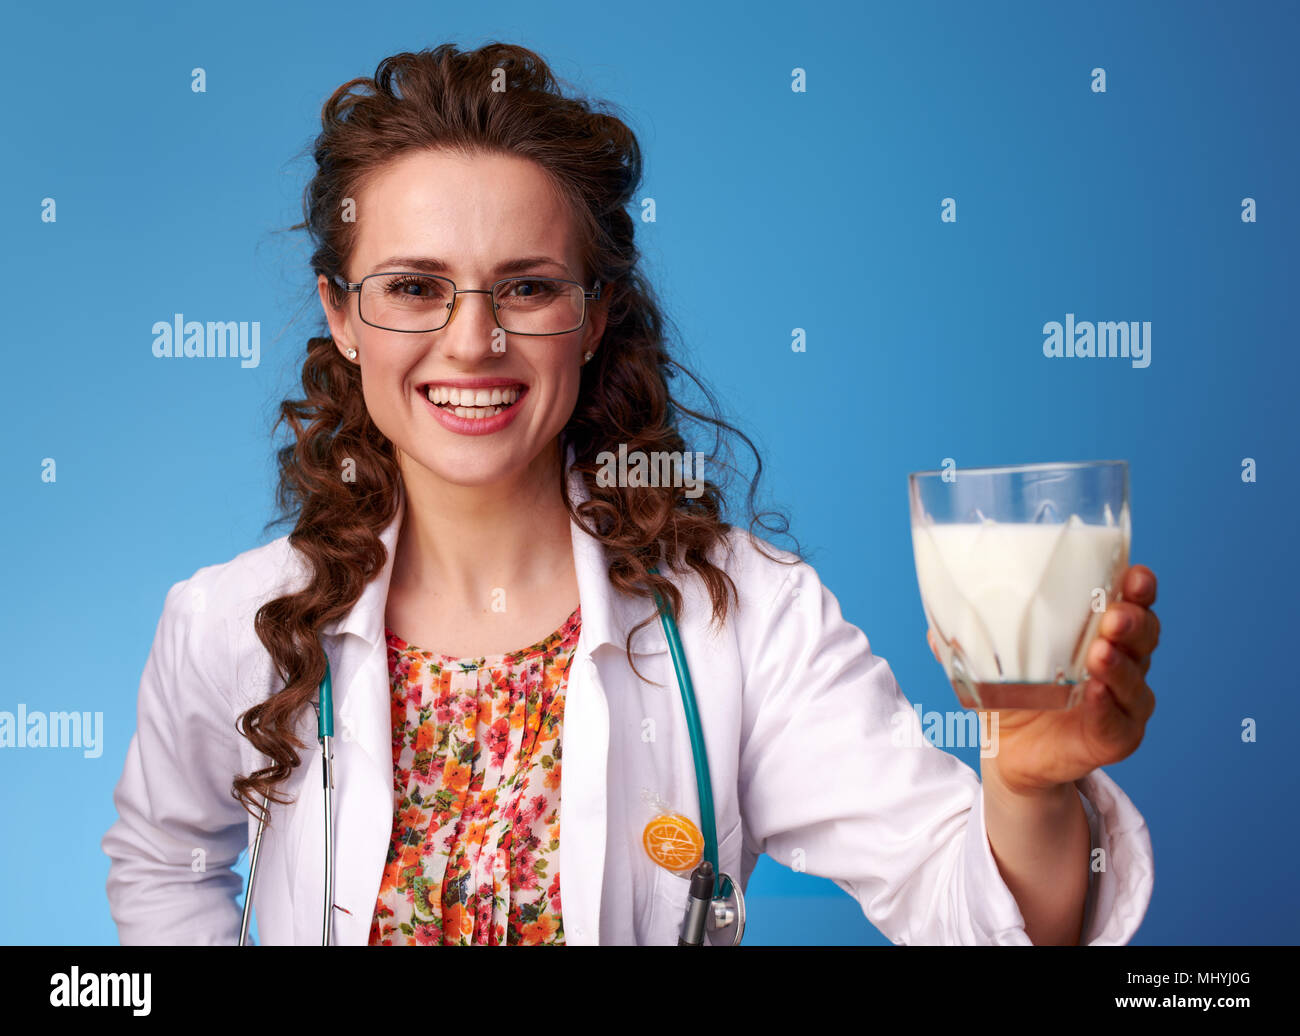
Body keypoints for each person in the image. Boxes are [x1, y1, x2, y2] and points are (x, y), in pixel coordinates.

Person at [101, 42, 1159, 946]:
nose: (473, 340)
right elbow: (160, 863)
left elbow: (965, 903)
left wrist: (1029, 788)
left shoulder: (741, 617)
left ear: (596, 315)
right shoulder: (226, 623)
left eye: (528, 286)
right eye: (415, 287)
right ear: (342, 314)